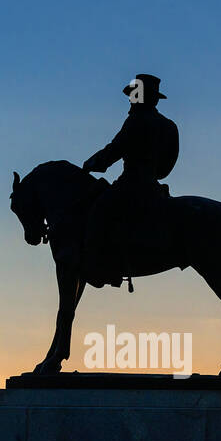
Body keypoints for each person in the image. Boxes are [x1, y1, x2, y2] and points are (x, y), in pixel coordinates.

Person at [81, 74, 179, 286]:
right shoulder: (169, 126)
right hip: (154, 185)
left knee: (98, 212)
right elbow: (167, 166)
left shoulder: (137, 120)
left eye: (134, 95)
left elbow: (114, 150)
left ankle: (101, 269)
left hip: (131, 185)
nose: (130, 100)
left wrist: (90, 164)